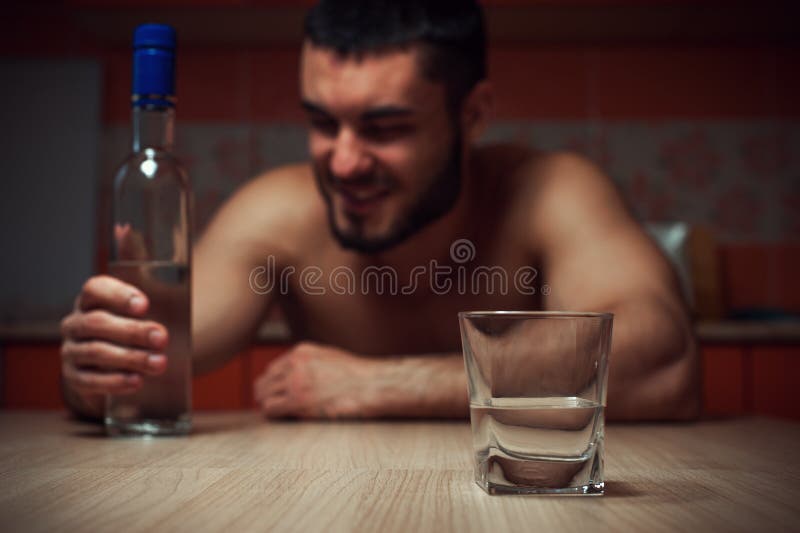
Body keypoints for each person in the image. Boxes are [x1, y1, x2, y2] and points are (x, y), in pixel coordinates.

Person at [59, 0, 699, 421]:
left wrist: (380, 387)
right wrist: (96, 368)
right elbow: (148, 364)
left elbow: (664, 363)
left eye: (384, 127)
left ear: (472, 115)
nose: (342, 163)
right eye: (321, 122)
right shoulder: (277, 214)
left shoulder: (552, 191)